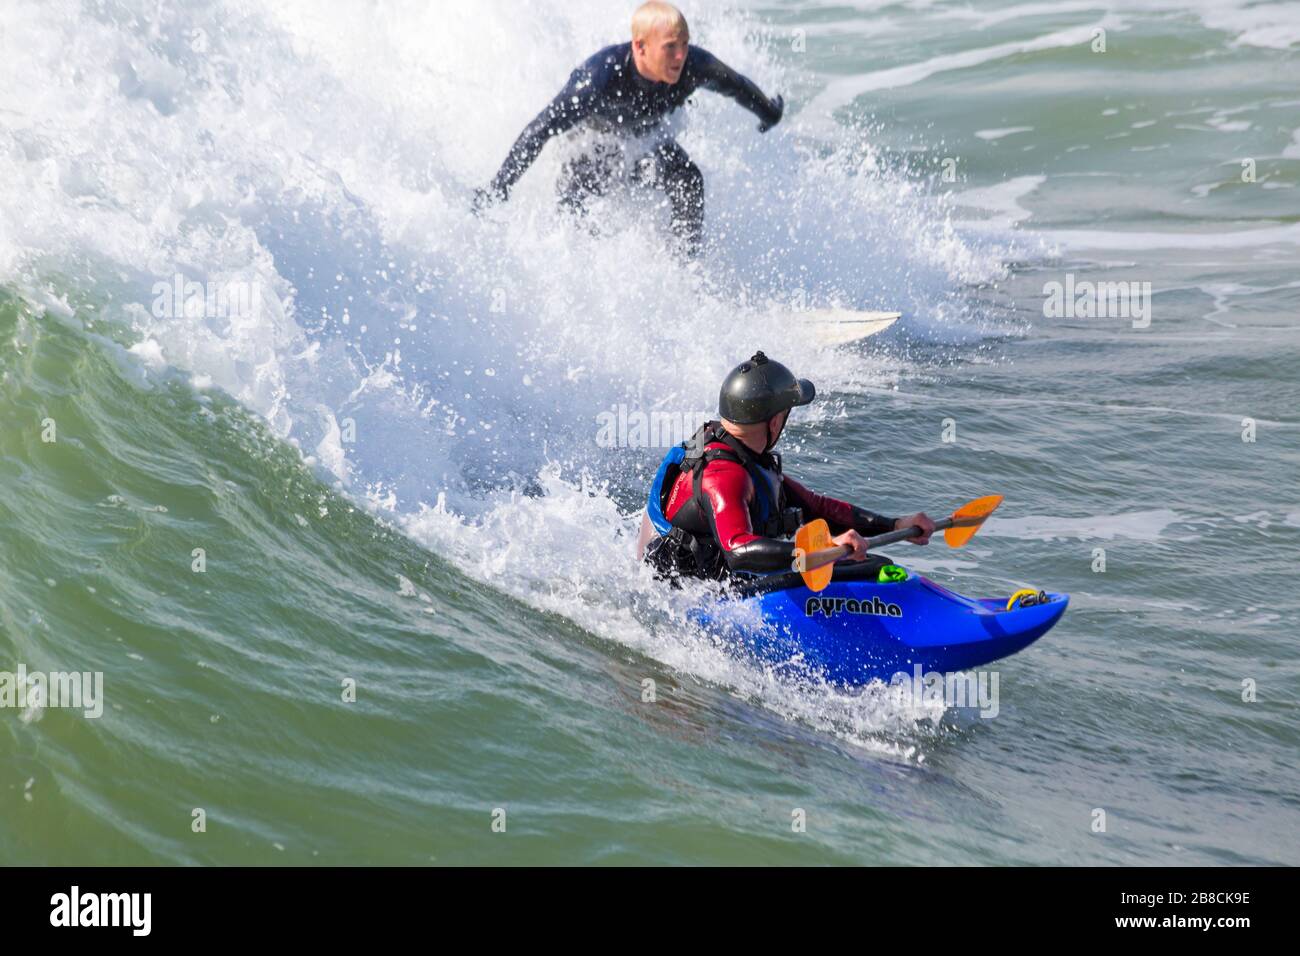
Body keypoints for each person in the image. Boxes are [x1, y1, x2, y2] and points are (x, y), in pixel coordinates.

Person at [473, 1, 784, 258]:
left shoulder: (693, 67)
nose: (680, 56)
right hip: (592, 146)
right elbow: (540, 130)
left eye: (685, 45)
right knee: (581, 200)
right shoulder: (598, 79)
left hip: (645, 142)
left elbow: (736, 86)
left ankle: (684, 270)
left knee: (688, 179)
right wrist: (500, 188)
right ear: (641, 46)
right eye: (670, 47)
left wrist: (768, 113)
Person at [642, 352, 935, 581]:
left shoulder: (745, 453)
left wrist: (895, 524)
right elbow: (738, 551)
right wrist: (817, 550)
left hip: (724, 575)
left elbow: (814, 506)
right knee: (863, 570)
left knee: (865, 565)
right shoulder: (723, 475)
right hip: (692, 591)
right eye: (786, 414)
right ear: (773, 421)